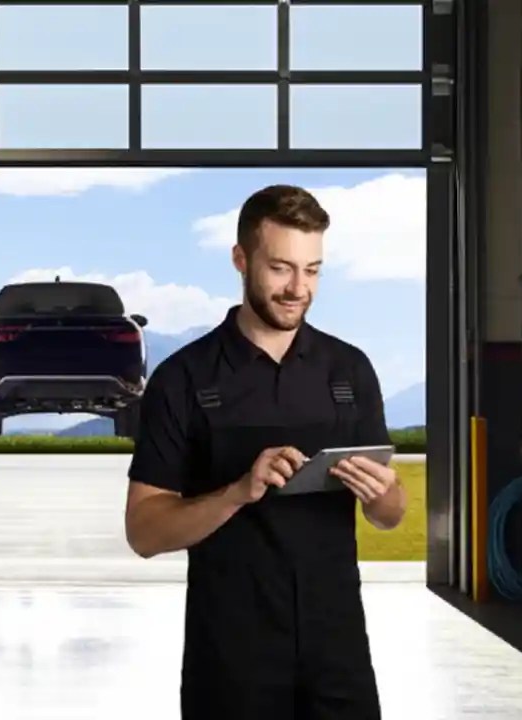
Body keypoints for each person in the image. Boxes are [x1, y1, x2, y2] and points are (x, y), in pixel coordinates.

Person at [124, 184, 407, 720]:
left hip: (338, 649)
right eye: (280, 268)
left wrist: (382, 495)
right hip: (231, 655)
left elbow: (390, 515)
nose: (298, 288)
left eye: (313, 270)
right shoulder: (183, 379)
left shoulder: (349, 370)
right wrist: (237, 492)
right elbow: (143, 532)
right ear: (241, 259)